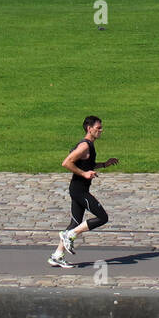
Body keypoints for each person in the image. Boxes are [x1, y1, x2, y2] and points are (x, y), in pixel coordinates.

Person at [48, 115, 119, 268]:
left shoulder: (88, 146)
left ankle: (57, 256)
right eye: (98, 128)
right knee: (102, 217)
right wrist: (84, 174)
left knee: (75, 222)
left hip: (78, 189)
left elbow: (88, 165)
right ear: (89, 128)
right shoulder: (85, 146)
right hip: (79, 190)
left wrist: (105, 164)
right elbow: (66, 163)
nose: (101, 130)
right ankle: (70, 235)